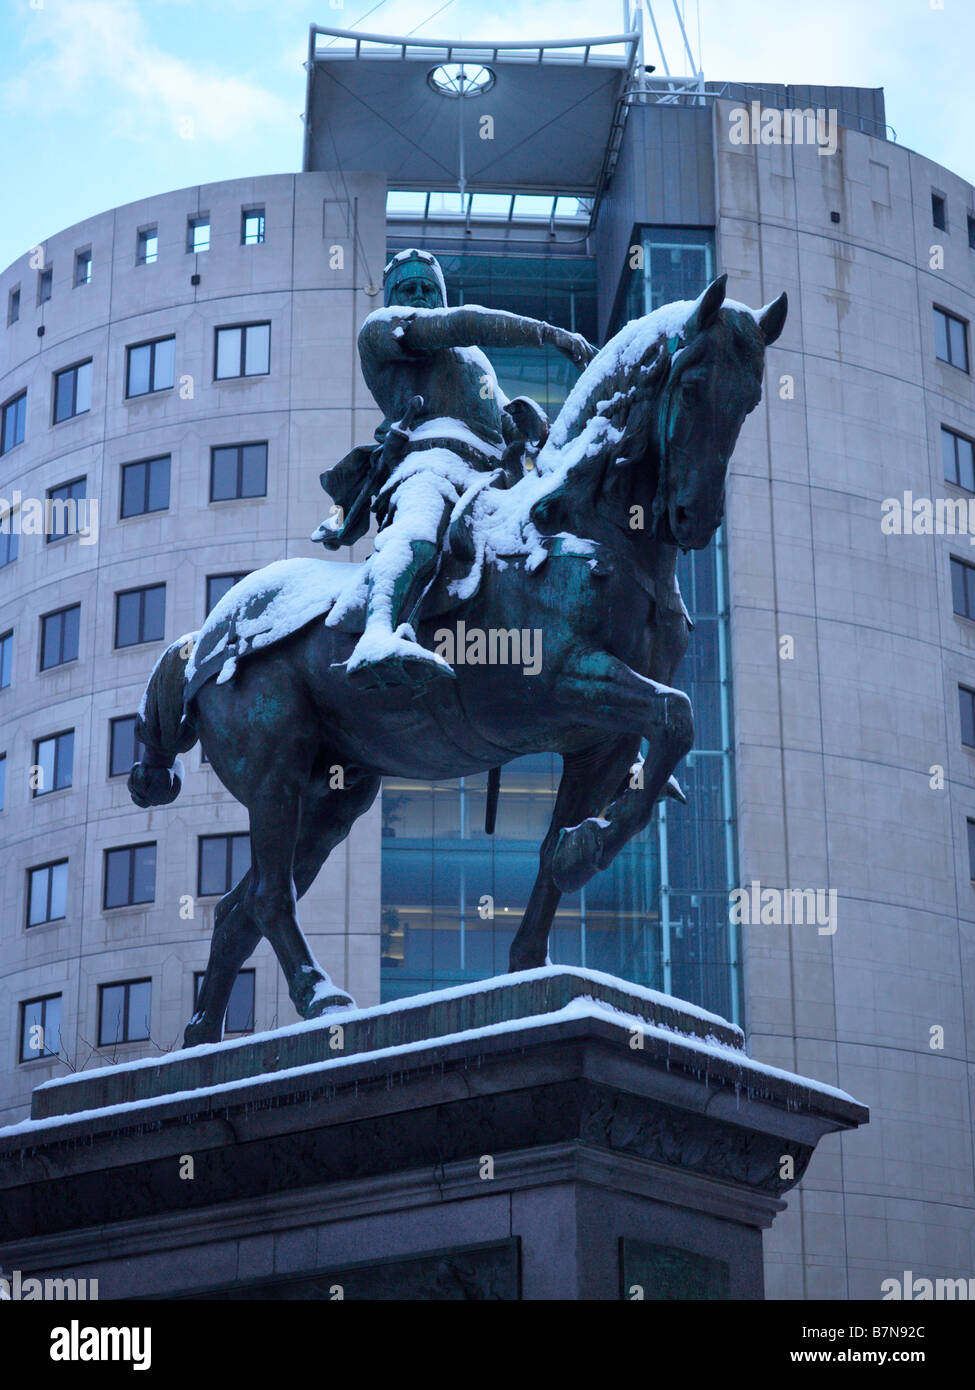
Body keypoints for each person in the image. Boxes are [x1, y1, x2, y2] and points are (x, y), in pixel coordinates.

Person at [315, 248, 596, 690]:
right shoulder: (382, 330)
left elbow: (501, 417)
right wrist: (550, 334)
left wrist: (532, 425)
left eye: (430, 288)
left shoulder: (474, 361)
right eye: (410, 288)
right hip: (428, 463)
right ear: (392, 296)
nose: (421, 296)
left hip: (493, 481)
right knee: (421, 531)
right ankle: (377, 635)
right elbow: (461, 323)